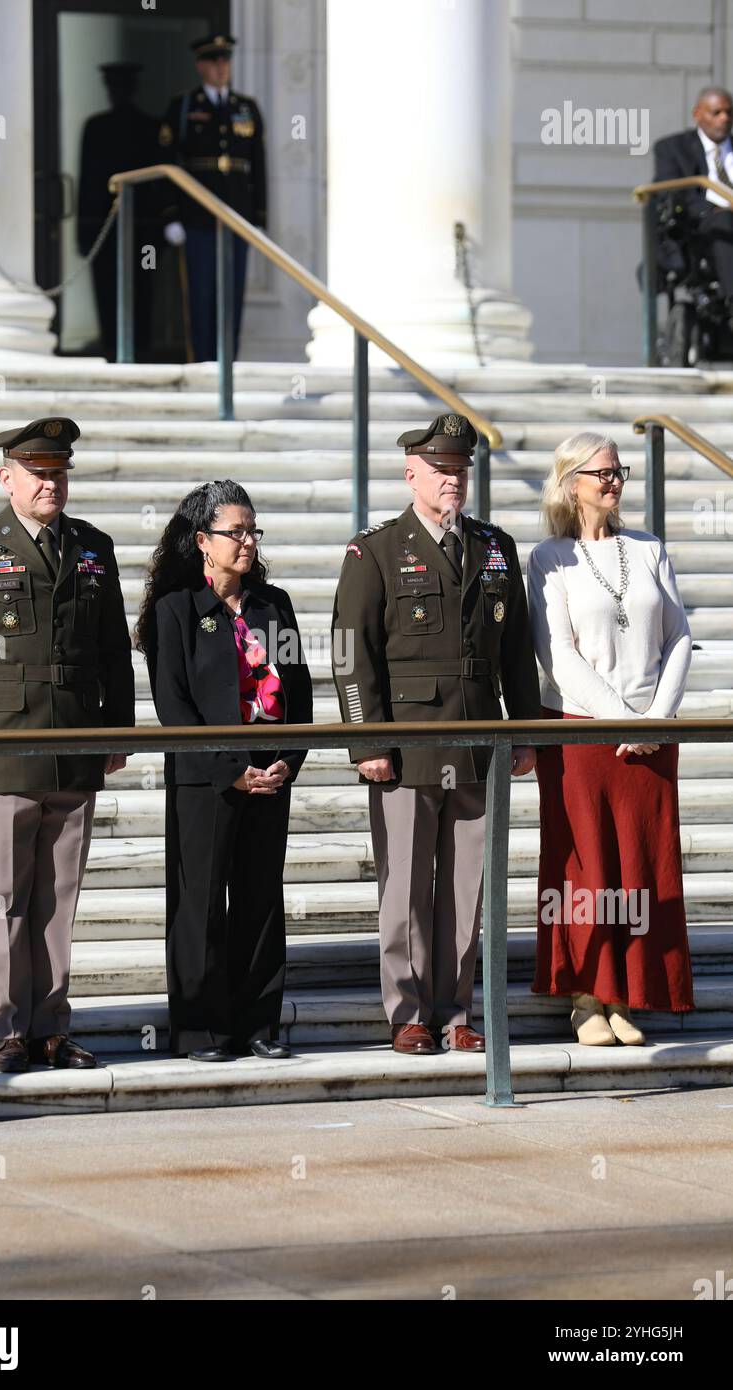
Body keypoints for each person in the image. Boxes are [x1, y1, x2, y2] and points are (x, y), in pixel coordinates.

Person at [0, 418, 135, 1073]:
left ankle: (50, 1027)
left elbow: (114, 651)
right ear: (6, 477)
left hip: (74, 744)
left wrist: (117, 731)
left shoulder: (93, 547)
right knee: (3, 895)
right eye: (38, 473)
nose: (51, 484)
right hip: (4, 745)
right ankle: (7, 1027)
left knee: (58, 896)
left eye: (59, 472)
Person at [331, 414, 540, 1056]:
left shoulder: (494, 547)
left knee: (464, 886)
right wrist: (366, 743)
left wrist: (525, 732)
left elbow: (517, 650)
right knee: (404, 883)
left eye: (461, 469)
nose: (453, 480)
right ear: (411, 473)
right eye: (441, 469)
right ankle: (408, 1010)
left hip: (479, 745)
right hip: (407, 743)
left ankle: (455, 1009)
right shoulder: (377, 551)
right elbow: (349, 653)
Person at [527, 432, 694, 1045]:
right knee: (586, 864)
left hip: (652, 730)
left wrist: (657, 717)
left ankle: (626, 994)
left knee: (641, 865)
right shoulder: (549, 557)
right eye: (602, 473)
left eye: (619, 471)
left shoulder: (648, 549)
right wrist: (620, 719)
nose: (614, 481)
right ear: (572, 482)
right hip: (580, 733)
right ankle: (585, 995)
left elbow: (678, 637)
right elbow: (558, 655)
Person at [136, 481, 312, 1062]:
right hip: (206, 782)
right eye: (235, 531)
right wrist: (229, 770)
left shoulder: (273, 605)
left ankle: (257, 1022)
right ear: (202, 540)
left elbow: (300, 691)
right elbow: (174, 705)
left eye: (252, 530)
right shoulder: (176, 610)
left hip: (271, 776)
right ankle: (202, 1029)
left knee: (260, 900)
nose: (247, 541)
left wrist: (290, 759)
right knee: (202, 902)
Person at [157, 33, 266, 362]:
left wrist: (259, 218)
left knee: (231, 296)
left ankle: (226, 363)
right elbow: (167, 162)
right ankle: (203, 361)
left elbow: (258, 165)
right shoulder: (184, 107)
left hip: (237, 217)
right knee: (201, 294)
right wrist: (170, 215)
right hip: (197, 217)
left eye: (225, 61)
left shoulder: (245, 108)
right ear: (200, 65)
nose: (221, 68)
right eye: (214, 61)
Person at [77, 62, 160, 361]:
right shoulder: (95, 127)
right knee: (107, 291)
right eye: (114, 87)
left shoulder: (150, 127)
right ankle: (112, 349)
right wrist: (84, 233)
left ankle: (141, 351)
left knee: (143, 291)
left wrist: (159, 231)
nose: (118, 93)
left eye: (122, 87)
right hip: (104, 227)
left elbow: (157, 186)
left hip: (143, 229)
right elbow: (87, 183)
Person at [653, 87, 733, 303]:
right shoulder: (673, 148)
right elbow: (672, 190)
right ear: (698, 114)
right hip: (700, 224)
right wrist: (713, 210)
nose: (724, 118)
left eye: (729, 112)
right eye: (716, 113)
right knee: (724, 220)